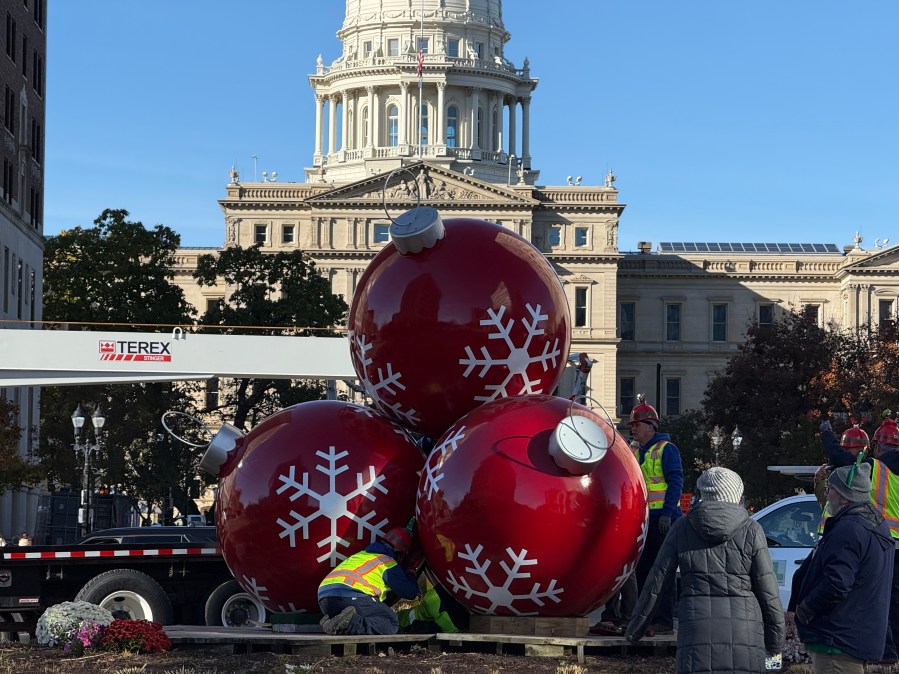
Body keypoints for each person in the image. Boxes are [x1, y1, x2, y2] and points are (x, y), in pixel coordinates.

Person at [625, 467, 786, 674]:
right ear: (736, 495)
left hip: (695, 628)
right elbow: (768, 592)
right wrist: (775, 645)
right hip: (745, 632)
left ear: (704, 494)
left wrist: (635, 629)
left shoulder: (682, 527)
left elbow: (657, 582)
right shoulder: (751, 530)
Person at [794, 462, 894, 672]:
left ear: (843, 495)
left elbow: (837, 583)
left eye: (830, 489)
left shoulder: (849, 529)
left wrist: (806, 608)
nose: (827, 495)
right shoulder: (873, 525)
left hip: (837, 640)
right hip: (852, 636)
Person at [819, 415, 899, 662]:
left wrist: (826, 432)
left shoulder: (876, 468)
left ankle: (887, 654)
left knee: (880, 600)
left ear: (876, 446)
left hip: (883, 541)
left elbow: (844, 462)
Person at [629, 394, 684, 634]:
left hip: (663, 520)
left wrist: (667, 513)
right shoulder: (635, 449)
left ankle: (663, 622)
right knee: (643, 570)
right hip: (644, 520)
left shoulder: (666, 449)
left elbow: (676, 482)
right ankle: (646, 619)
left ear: (651, 427)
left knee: (662, 572)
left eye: (637, 425)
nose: (633, 429)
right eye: (632, 425)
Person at [317, 526, 420, 635]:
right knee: (390, 621)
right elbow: (410, 592)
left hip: (324, 599)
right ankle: (348, 624)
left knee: (375, 614)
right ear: (400, 553)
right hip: (349, 595)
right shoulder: (387, 563)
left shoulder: (362, 555)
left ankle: (332, 622)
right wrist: (411, 572)